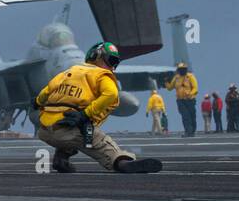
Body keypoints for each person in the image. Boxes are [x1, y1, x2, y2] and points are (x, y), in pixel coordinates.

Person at [34, 41, 161, 174]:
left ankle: (61, 159)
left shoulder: (68, 72)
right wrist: (86, 114)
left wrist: (37, 102)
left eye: (115, 63)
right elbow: (111, 94)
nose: (112, 66)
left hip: (44, 131)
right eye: (110, 61)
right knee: (100, 142)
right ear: (96, 56)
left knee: (68, 131)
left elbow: (46, 91)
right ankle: (122, 163)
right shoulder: (101, 75)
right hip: (70, 131)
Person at [165, 63, 198, 136]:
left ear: (186, 69)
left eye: (184, 69)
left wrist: (190, 94)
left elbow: (195, 88)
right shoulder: (176, 78)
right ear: (178, 70)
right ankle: (188, 132)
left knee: (192, 116)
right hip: (180, 100)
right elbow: (170, 88)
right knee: (185, 116)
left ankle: (192, 131)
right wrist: (166, 82)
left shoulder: (190, 77)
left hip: (190, 100)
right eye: (180, 69)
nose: (182, 70)